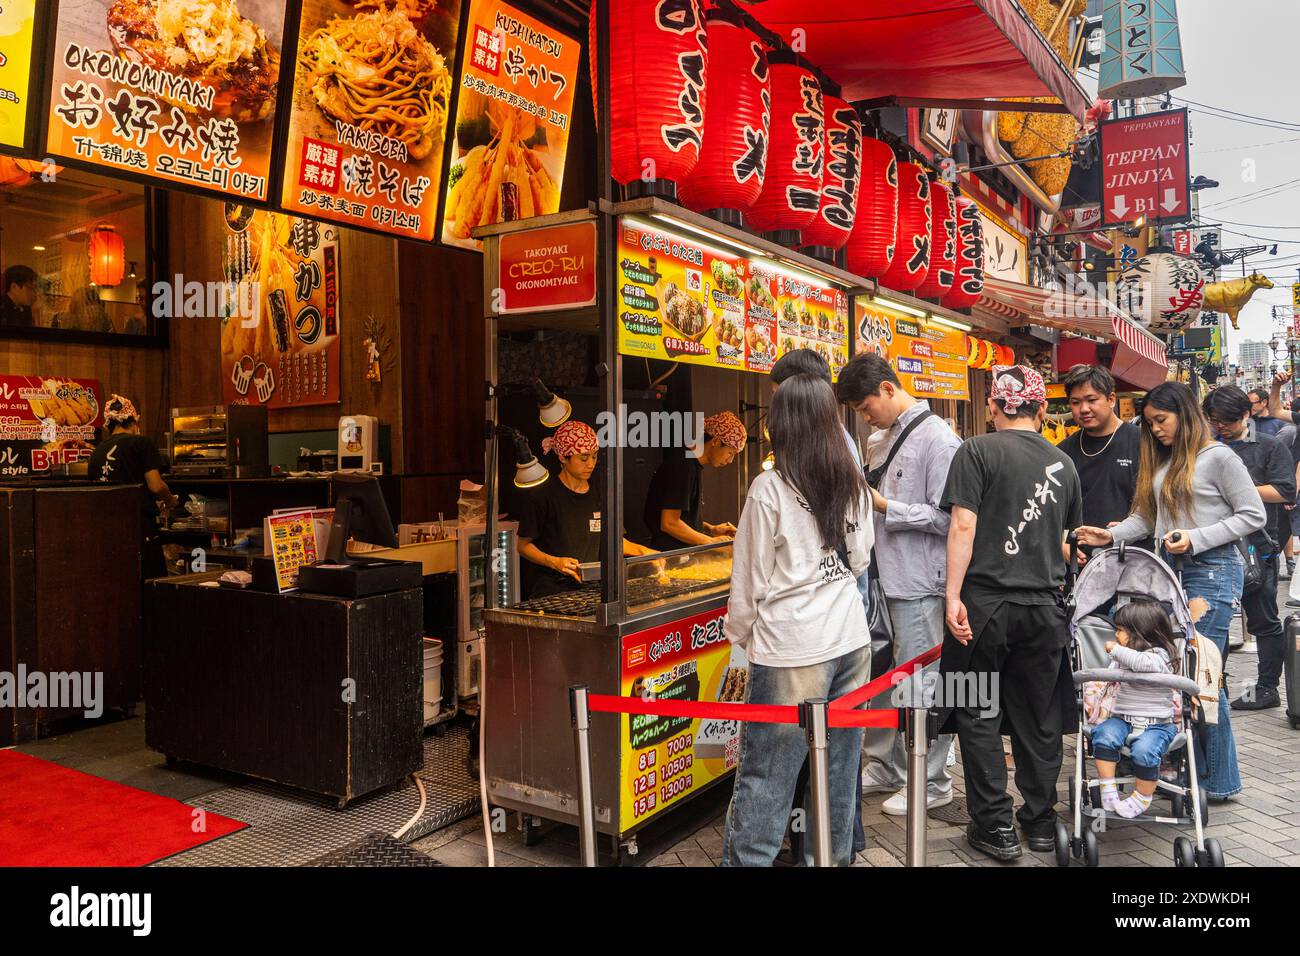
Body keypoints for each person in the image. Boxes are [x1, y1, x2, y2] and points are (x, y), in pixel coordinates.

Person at [1076, 381, 1265, 801]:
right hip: (1173, 574)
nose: (1156, 430)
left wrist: (1196, 538)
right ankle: (1196, 773)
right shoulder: (1164, 462)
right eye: (1149, 424)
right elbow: (1146, 518)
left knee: (1202, 676)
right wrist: (1107, 537)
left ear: (1184, 413)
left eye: (1161, 420)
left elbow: (1252, 514)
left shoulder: (1218, 458)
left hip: (1211, 573)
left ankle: (1215, 780)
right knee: (1184, 675)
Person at [721, 375, 873, 867]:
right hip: (850, 638)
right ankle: (831, 859)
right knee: (839, 767)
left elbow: (748, 584)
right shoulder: (853, 481)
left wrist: (742, 640)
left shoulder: (769, 488)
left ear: (781, 425)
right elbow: (862, 558)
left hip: (791, 648)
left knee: (767, 775)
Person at [940, 364, 1082, 861]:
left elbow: (962, 525)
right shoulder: (1063, 463)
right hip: (1044, 609)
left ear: (993, 407)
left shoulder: (975, 450)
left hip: (984, 608)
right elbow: (1068, 542)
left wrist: (951, 595)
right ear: (1042, 409)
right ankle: (1041, 823)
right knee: (1038, 715)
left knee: (976, 710)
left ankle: (994, 827)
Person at [837, 352, 960, 815]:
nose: (865, 417)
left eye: (866, 407)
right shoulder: (877, 441)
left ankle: (932, 779)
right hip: (881, 577)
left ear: (888, 389)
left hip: (921, 581)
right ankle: (887, 765)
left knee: (924, 682)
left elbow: (949, 517)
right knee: (888, 676)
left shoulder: (939, 440)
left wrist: (886, 506)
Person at [769, 348, 869, 860]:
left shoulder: (803, 464)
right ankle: (837, 845)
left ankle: (820, 843)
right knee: (836, 744)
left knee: (806, 752)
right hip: (846, 624)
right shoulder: (838, 447)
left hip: (818, 630)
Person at [1201, 386, 1295, 712]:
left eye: (1226, 420)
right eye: (1214, 420)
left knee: (1263, 620)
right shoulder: (1206, 448)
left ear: (1246, 414)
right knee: (1215, 620)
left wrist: (1239, 491)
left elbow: (1285, 490)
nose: (1220, 426)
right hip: (1213, 546)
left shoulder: (1269, 446)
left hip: (1257, 547)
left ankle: (1267, 688)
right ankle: (1215, 684)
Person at [516, 420, 655, 599]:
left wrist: (647, 553)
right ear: (563, 457)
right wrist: (555, 562)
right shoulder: (542, 496)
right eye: (583, 458)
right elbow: (523, 546)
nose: (590, 463)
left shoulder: (600, 493)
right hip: (552, 591)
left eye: (594, 456)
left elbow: (614, 541)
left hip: (590, 590)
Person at [1091, 599, 1181, 819]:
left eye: (1120, 630)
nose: (1116, 636)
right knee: (1103, 736)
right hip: (1122, 719)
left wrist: (1116, 650)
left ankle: (1142, 797)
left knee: (1145, 751)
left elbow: (1144, 664)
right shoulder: (1124, 657)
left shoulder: (1161, 656)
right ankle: (1108, 787)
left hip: (1158, 725)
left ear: (1140, 633)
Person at [1056, 364, 1146, 559]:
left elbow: (1156, 509)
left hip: (1132, 561)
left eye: (1091, 400)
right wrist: (1059, 545)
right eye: (1075, 402)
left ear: (1111, 399)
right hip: (1078, 567)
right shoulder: (1062, 452)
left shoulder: (1143, 443)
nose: (1084, 409)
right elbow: (1052, 511)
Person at [88, 394, 178, 579]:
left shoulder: (96, 452)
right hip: (139, 527)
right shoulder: (141, 443)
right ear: (134, 420)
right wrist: (170, 501)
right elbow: (156, 486)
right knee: (149, 582)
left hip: (107, 529)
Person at [642, 410, 745, 550]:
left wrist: (712, 529)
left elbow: (683, 519)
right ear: (715, 441)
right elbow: (669, 523)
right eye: (730, 453)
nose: (730, 460)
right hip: (669, 556)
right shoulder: (683, 466)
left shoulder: (691, 465)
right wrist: (710, 542)